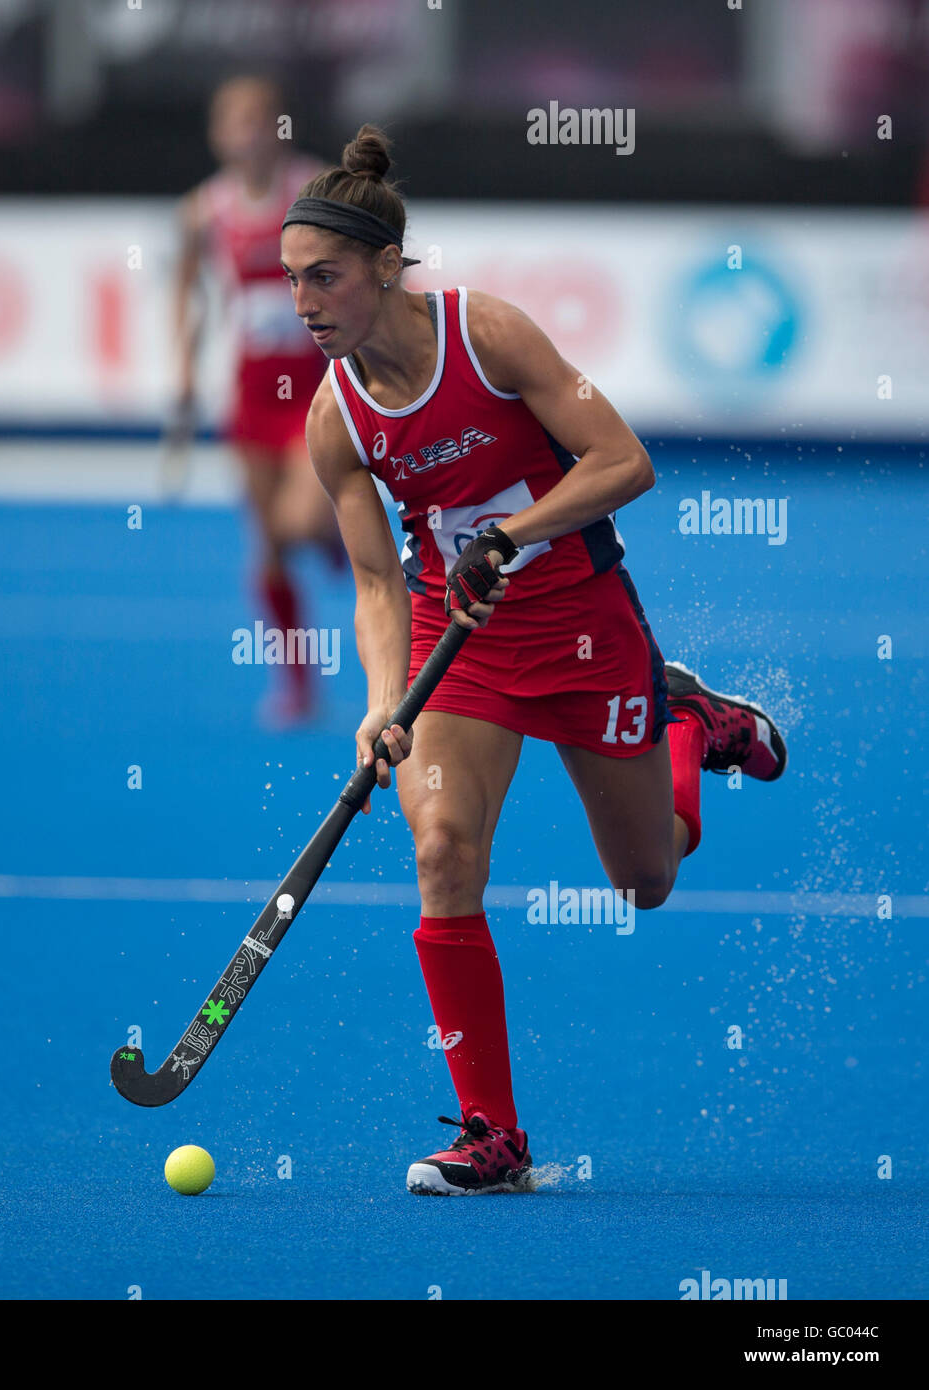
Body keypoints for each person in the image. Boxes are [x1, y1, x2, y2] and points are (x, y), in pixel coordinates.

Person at [280, 124, 788, 1195]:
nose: (304, 301)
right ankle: (492, 1137)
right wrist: (380, 706)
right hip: (454, 641)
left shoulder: (488, 336)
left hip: (582, 625)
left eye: (323, 276)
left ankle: (687, 720)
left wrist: (511, 536)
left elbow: (622, 462)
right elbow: (375, 580)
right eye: (291, 281)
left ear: (383, 267)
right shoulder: (335, 420)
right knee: (442, 850)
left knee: (643, 880)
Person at [173, 75, 343, 727]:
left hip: (313, 394)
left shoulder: (314, 190)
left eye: (257, 118)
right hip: (250, 395)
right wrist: (185, 367)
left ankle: (330, 531)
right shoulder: (204, 210)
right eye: (232, 120)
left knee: (299, 521)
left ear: (280, 126)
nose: (245, 132)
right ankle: (298, 684)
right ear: (218, 133)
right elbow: (188, 293)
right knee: (267, 547)